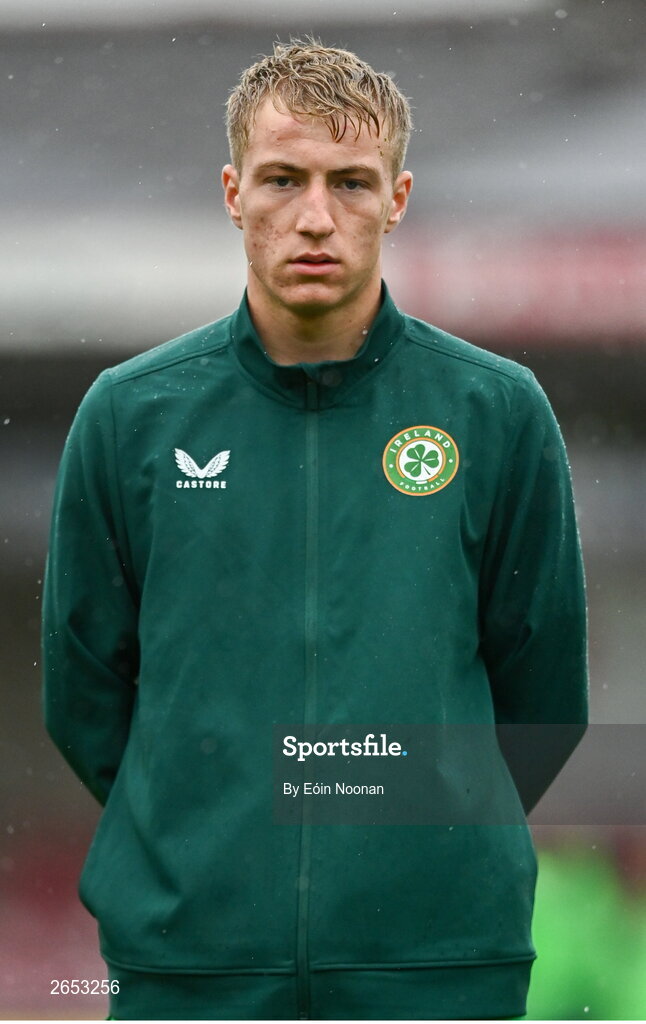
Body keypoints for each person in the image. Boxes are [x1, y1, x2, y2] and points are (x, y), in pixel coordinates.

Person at [42, 39, 588, 1021]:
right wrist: (211, 831)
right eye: (283, 178)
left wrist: (415, 850)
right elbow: (85, 695)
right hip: (191, 969)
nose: (315, 216)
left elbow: (541, 701)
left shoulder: (495, 412)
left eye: (350, 181)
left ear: (398, 198)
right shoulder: (131, 416)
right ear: (231, 191)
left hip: (436, 968)